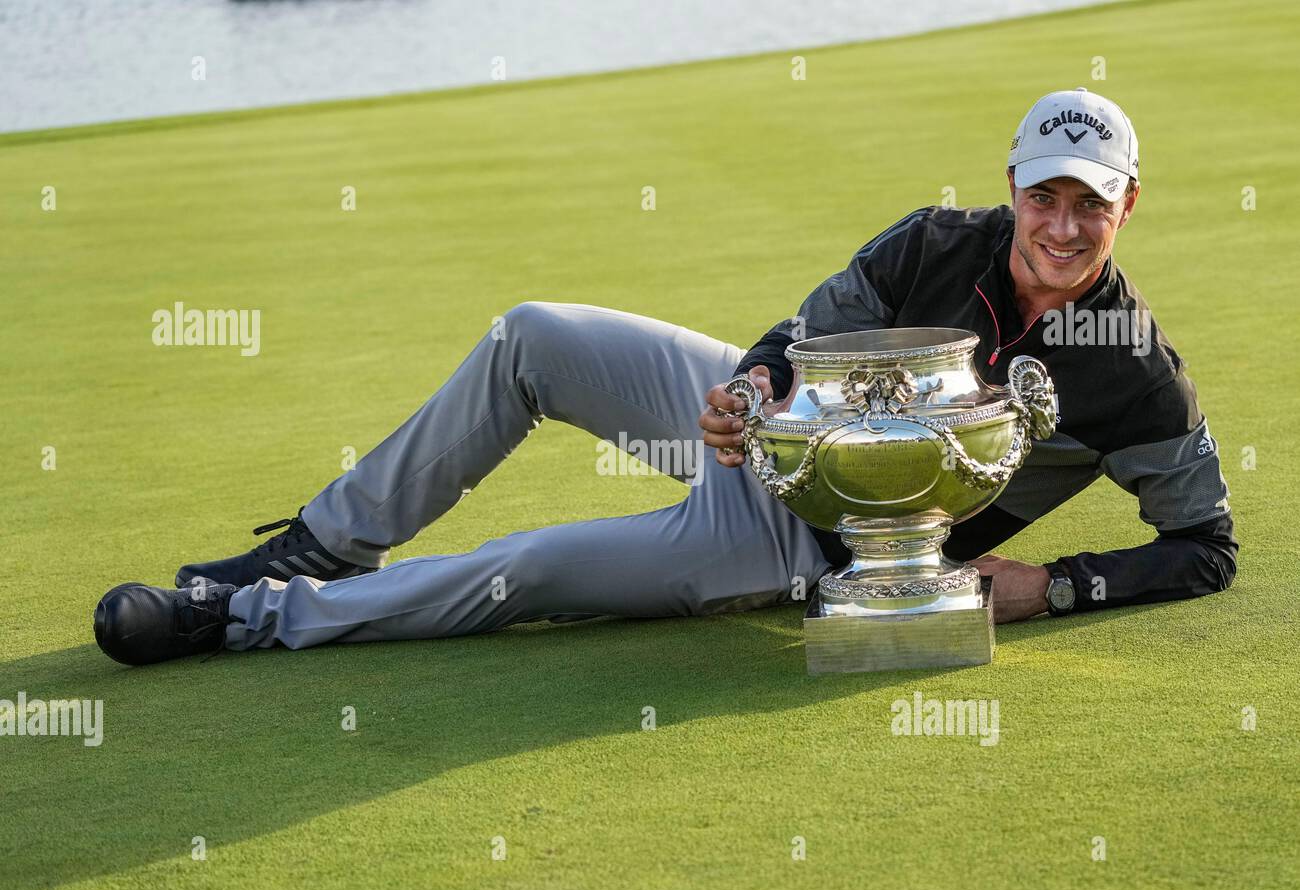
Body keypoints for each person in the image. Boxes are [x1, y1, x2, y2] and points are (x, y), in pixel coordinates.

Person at [94, 88, 1235, 666]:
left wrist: (1066, 586)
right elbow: (798, 335)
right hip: (783, 445)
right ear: (1013, 185)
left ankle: (249, 619)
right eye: (1047, 195)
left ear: (1127, 204)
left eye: (1092, 201)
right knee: (533, 332)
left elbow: (1204, 546)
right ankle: (325, 540)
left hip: (808, 546)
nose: (1064, 225)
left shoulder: (1134, 371)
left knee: (529, 565)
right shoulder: (934, 242)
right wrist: (742, 393)